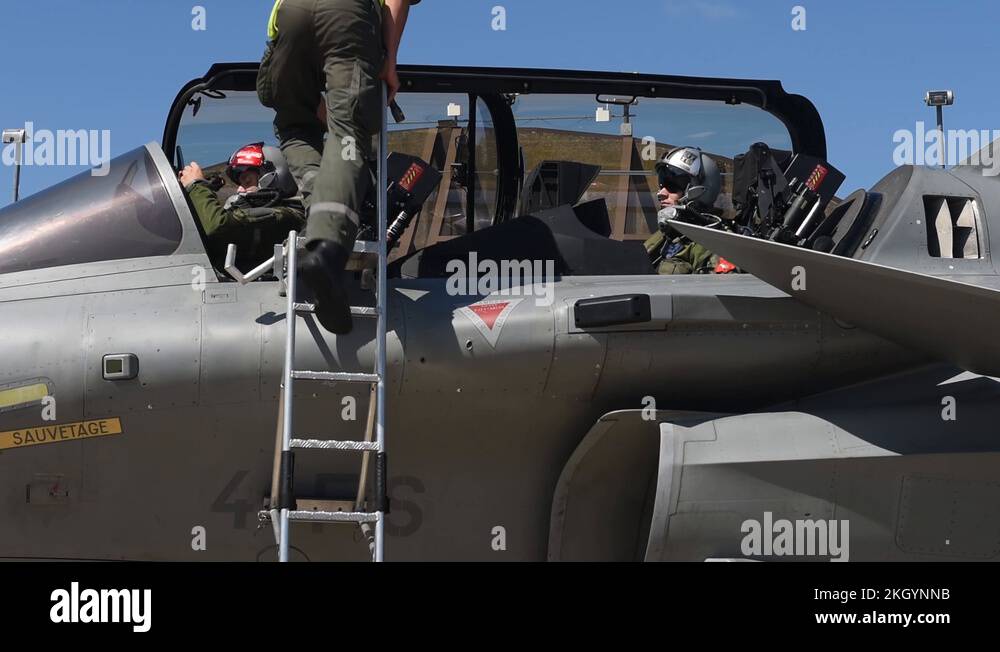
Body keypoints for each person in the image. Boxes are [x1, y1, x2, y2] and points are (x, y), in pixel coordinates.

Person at [256, 0, 420, 334]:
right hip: (346, 12)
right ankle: (328, 251)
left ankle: (321, 212)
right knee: (350, 131)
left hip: (290, 16)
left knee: (296, 124)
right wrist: (389, 60)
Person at [180, 142, 305, 267]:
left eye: (247, 180)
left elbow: (217, 225)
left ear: (271, 177)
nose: (239, 190)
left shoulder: (286, 216)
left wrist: (196, 186)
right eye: (240, 183)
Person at [643, 146, 734, 274]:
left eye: (672, 185)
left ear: (698, 190)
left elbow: (721, 289)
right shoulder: (668, 235)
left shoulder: (713, 242)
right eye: (662, 184)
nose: (661, 193)